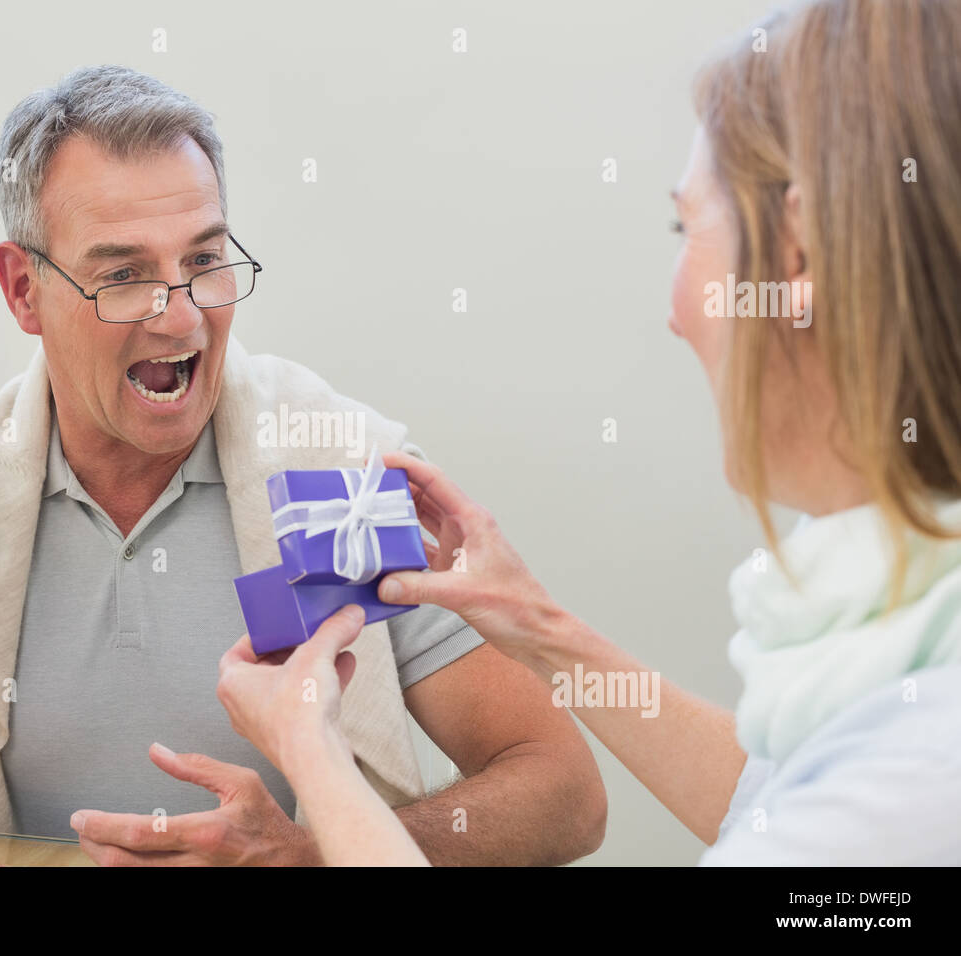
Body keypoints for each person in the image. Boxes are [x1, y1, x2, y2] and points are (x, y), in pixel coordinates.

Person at [0, 65, 606, 867]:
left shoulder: (337, 477)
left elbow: (564, 793)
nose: (180, 319)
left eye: (204, 261)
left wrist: (308, 856)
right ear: (24, 292)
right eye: (124, 276)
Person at [216, 0, 961, 866]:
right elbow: (775, 797)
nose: (675, 316)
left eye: (688, 227)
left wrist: (312, 756)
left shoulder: (921, 766)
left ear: (796, 254)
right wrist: (534, 622)